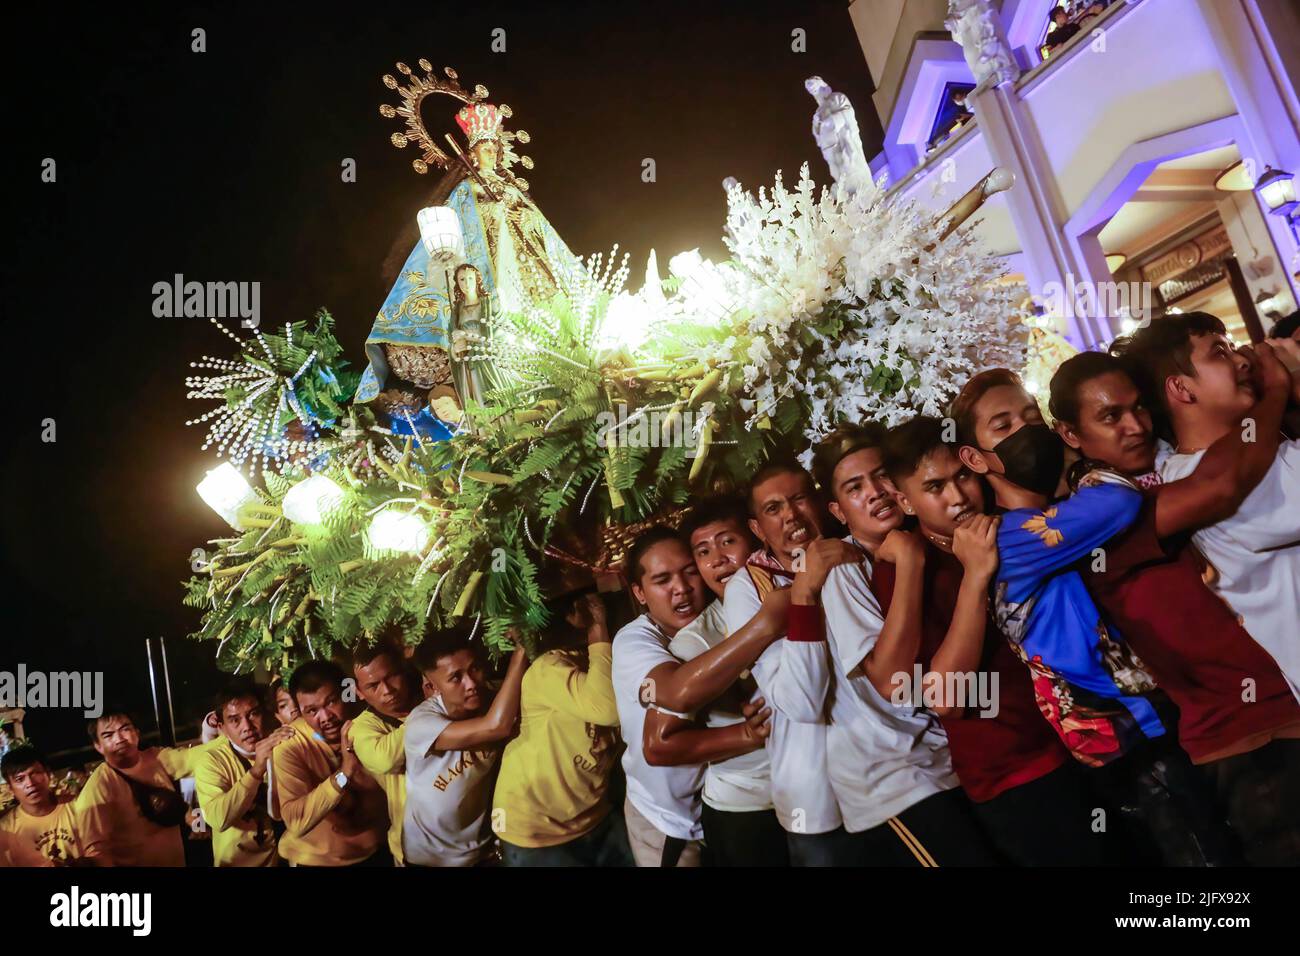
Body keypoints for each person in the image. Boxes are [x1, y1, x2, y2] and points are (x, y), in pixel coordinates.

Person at [953, 369, 1242, 865]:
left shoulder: (1055, 513)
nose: (1027, 432)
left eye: (1030, 416)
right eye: (1003, 426)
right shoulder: (1006, 540)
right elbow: (1119, 498)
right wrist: (1075, 460)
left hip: (1146, 725)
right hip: (1128, 739)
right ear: (975, 459)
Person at [1048, 349, 1300, 864]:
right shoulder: (1098, 513)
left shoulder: (1170, 468)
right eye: (1110, 416)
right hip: (1243, 735)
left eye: (1138, 407)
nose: (1135, 425)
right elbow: (1220, 485)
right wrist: (1273, 393)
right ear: (1070, 434)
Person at [878, 418, 1106, 865]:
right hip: (1018, 774)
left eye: (962, 476)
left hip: (1091, 741)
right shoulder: (907, 570)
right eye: (934, 487)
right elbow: (946, 696)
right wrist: (976, 576)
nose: (957, 496)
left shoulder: (1012, 526)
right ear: (904, 500)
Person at [809, 424, 1002, 865]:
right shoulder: (845, 567)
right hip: (896, 781)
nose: (875, 492)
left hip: (946, 761)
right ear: (839, 511)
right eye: (855, 488)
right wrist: (910, 562)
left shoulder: (940, 539)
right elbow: (894, 683)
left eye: (881, 477)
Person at [1112, 314, 1300, 697]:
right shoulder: (1196, 475)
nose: (1244, 360)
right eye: (1220, 352)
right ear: (1181, 388)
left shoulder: (1245, 456)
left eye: (1232, 347)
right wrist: (1283, 384)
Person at [721, 461, 867, 865]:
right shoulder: (748, 588)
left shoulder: (854, 550)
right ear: (756, 529)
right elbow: (802, 703)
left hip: (883, 776)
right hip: (817, 799)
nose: (790, 514)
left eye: (799, 498)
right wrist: (804, 591)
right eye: (773, 508)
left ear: (819, 501)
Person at [612, 527, 773, 867]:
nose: (681, 589)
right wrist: (768, 625)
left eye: (688, 573)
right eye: (662, 580)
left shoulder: (718, 618)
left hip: (713, 806)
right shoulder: (635, 642)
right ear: (640, 593)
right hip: (665, 818)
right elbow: (673, 700)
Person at [655, 497, 794, 866]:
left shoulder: (794, 590)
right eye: (703, 551)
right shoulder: (695, 640)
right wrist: (746, 731)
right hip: (745, 808)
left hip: (815, 791)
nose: (717, 558)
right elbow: (664, 738)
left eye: (727, 542)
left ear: (756, 535)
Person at [493, 593, 632, 866]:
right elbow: (606, 709)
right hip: (537, 830)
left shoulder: (600, 658)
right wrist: (597, 628)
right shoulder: (548, 667)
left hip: (592, 816)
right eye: (589, 605)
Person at [405, 630, 528, 867]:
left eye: (475, 669)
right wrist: (521, 652)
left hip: (481, 853)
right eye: (455, 678)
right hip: (430, 860)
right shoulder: (421, 723)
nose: (471, 683)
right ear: (432, 686)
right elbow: (496, 727)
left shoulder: (494, 700)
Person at [271, 661, 389, 867]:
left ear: (346, 693)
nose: (325, 717)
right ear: (299, 711)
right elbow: (295, 821)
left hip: (379, 850)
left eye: (331, 702)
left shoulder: (369, 724)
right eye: (311, 711)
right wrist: (344, 774)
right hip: (317, 861)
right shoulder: (290, 745)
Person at [75, 709, 205, 866]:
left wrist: (214, 726)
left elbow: (197, 758)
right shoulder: (96, 791)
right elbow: (97, 852)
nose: (119, 738)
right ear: (98, 746)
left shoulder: (155, 758)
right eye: (108, 735)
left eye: (125, 729)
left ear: (136, 733)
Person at [194, 681, 293, 867]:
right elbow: (218, 819)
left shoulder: (283, 745)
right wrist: (256, 772)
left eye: (253, 714)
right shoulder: (212, 760)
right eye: (235, 720)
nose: (247, 726)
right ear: (222, 728)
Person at [348, 642, 419, 866]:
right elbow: (384, 760)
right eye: (373, 686)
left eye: (392, 677)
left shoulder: (428, 700)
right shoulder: (363, 727)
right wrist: (432, 714)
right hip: (413, 849)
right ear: (359, 693)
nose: (387, 690)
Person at [0, 745, 85, 865]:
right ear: (10, 788)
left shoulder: (78, 806)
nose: (30, 783)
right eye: (19, 779)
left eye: (35, 773)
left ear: (48, 774)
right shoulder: (6, 830)